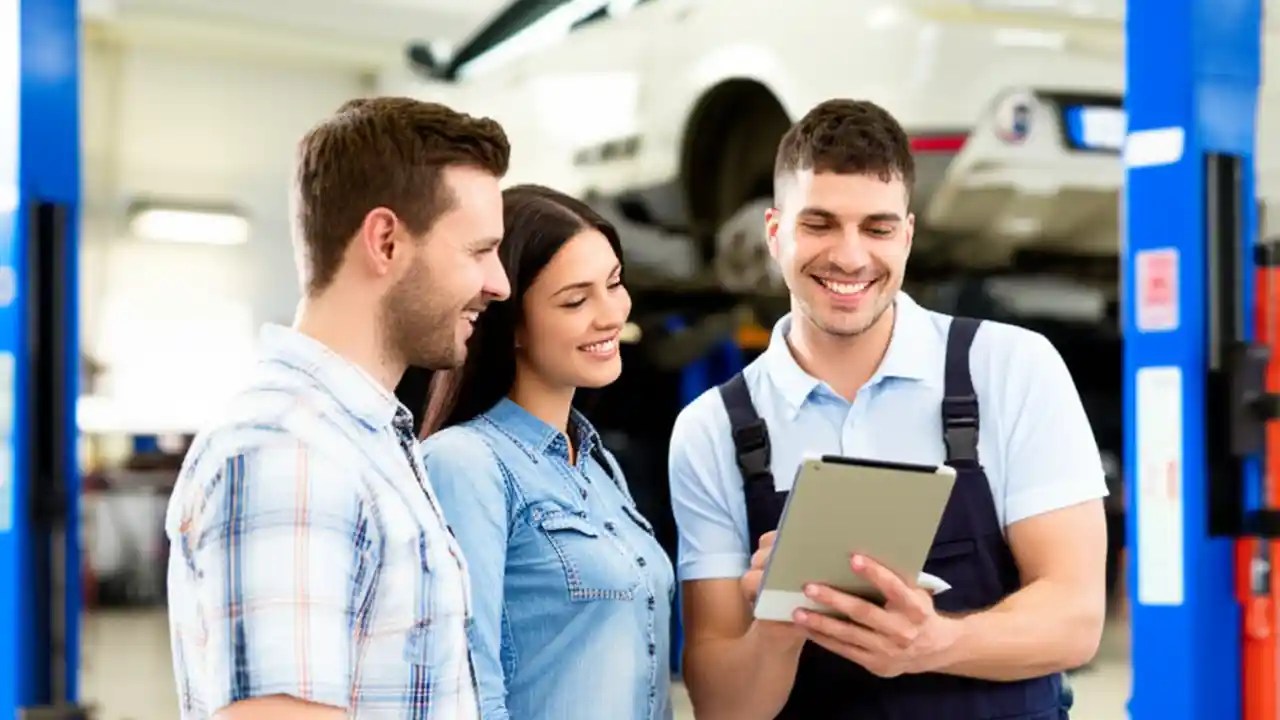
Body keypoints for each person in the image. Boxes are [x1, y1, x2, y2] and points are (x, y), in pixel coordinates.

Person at [668, 98, 1108, 719]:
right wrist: (779, 622)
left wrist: (935, 643)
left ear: (906, 235)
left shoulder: (1009, 369)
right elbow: (723, 708)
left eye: (876, 228)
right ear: (775, 233)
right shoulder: (713, 428)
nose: (849, 257)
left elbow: (1076, 621)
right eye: (818, 224)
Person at [163, 96, 512, 720]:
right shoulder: (290, 453)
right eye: (478, 251)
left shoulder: (363, 439)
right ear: (385, 241)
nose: (499, 283)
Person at [415, 184, 676, 720]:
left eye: (614, 284)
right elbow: (467, 686)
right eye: (576, 300)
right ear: (509, 324)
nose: (610, 314)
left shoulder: (600, 468)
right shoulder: (465, 465)